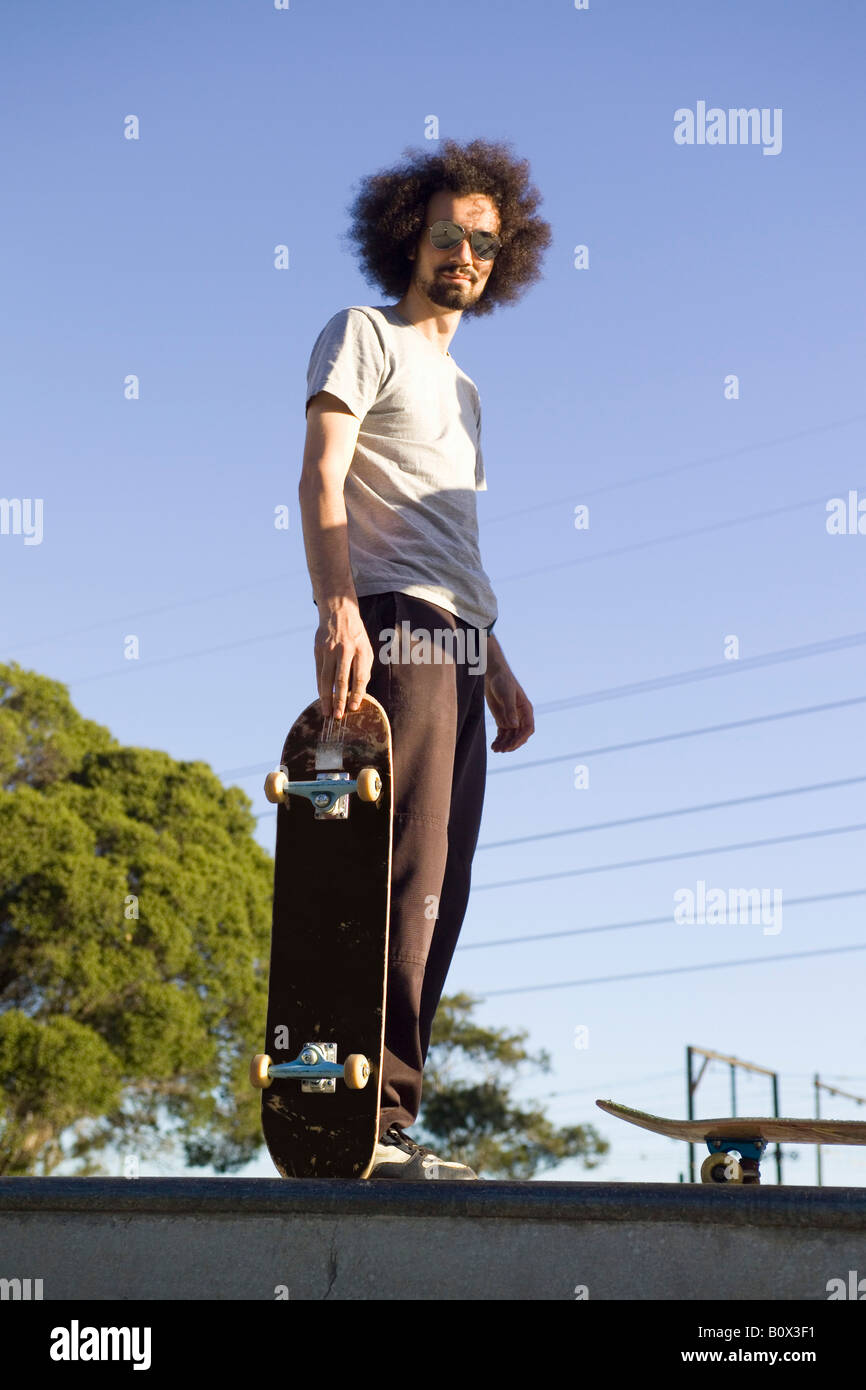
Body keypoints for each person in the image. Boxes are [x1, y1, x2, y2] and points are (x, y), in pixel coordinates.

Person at [299, 137, 550, 1178]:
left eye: (483, 242)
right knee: (396, 869)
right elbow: (320, 475)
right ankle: (363, 1112)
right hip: (392, 621)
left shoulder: (467, 391)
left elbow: (458, 544)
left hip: (456, 636)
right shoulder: (362, 334)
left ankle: (390, 1115)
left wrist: (494, 660)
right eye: (447, 233)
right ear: (411, 234)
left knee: (441, 880)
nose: (464, 253)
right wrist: (336, 608)